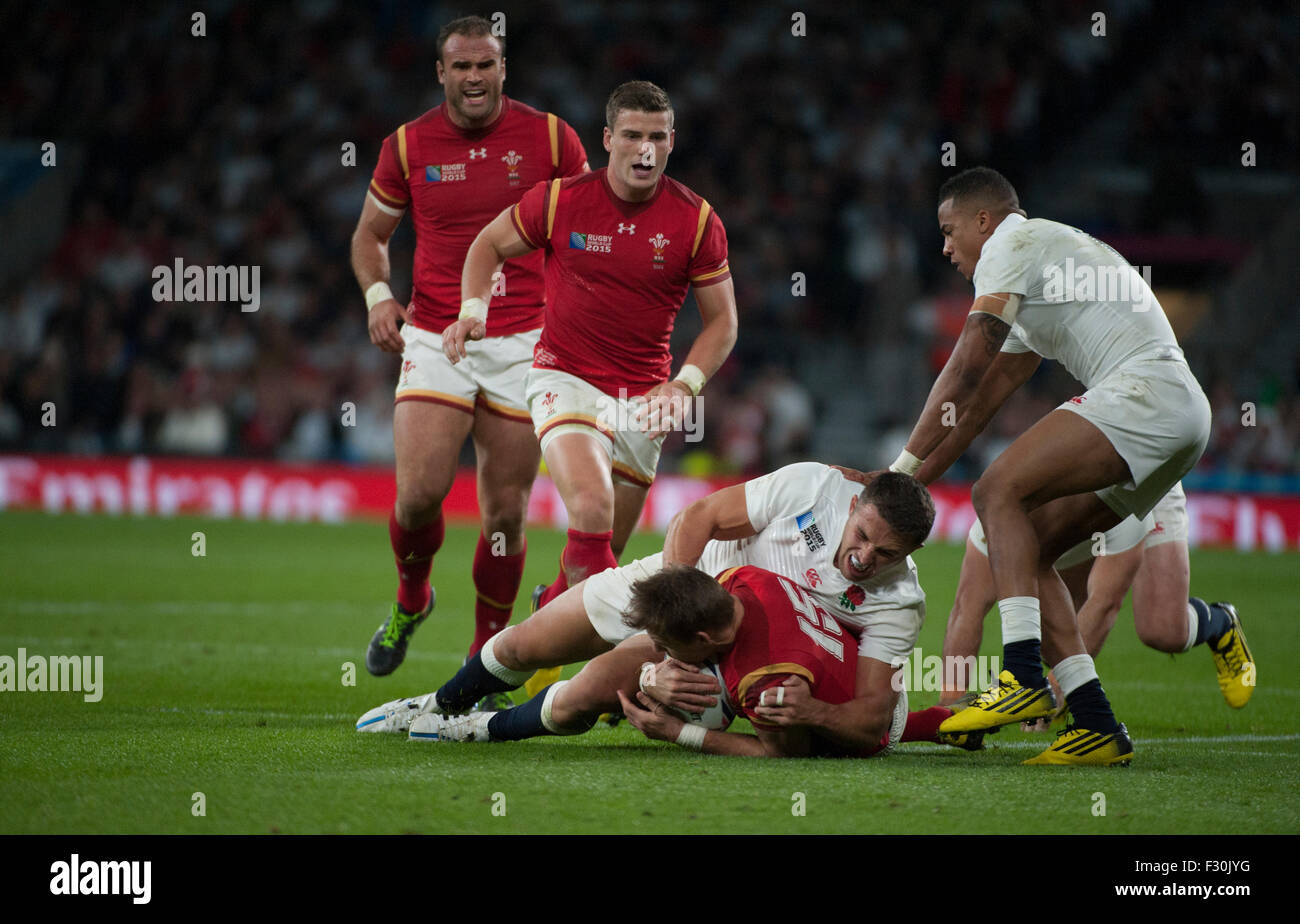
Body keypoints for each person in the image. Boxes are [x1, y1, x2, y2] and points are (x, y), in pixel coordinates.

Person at [887, 166, 1245, 766]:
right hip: (1177, 418)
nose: (945, 248)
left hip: (1146, 393)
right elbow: (978, 405)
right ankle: (1098, 726)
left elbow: (967, 364)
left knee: (996, 489)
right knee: (1031, 546)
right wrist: (908, 483)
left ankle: (1022, 676)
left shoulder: (1011, 244)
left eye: (950, 232)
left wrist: (897, 469)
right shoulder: (1042, 269)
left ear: (984, 221)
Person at [442, 81, 739, 671]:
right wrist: (473, 312)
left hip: (644, 400)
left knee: (605, 565)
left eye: (657, 137)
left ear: (672, 142)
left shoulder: (697, 221)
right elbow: (486, 246)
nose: (645, 149)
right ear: (608, 139)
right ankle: (509, 669)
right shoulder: (558, 200)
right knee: (593, 511)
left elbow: (723, 323)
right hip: (564, 377)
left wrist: (684, 385)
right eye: (632, 135)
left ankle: (547, 616)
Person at [355, 463, 940, 753]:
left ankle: (470, 729)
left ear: (911, 553)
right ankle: (433, 703)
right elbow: (699, 518)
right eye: (861, 534)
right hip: (690, 580)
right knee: (525, 643)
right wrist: (671, 623)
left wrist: (806, 708)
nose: (863, 557)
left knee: (590, 690)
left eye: (885, 553)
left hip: (733, 652)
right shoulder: (815, 487)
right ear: (856, 502)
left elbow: (867, 712)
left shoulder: (898, 603)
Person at [350, 16, 588, 678]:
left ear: (503, 69)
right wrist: (378, 299)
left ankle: (481, 657)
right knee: (419, 496)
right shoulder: (408, 145)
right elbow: (370, 236)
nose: (474, 77)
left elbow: (586, 222)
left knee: (505, 513)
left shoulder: (550, 137)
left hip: (527, 342)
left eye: (486, 65)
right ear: (442, 73)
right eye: (462, 66)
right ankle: (410, 599)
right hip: (434, 333)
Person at [405, 565, 955, 757]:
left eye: (670, 647)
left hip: (844, 720)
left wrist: (677, 734)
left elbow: (784, 757)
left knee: (592, 693)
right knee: (604, 678)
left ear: (701, 636)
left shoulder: (764, 685)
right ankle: (467, 716)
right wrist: (651, 670)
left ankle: (477, 729)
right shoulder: (745, 583)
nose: (664, 656)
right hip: (826, 665)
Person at [943, 483, 1254, 714]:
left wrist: (1050, 695)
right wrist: (949, 706)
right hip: (1080, 485)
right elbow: (966, 607)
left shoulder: (1127, 515)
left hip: (1146, 485)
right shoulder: (1002, 512)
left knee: (1162, 629)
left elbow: (1104, 603)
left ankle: (1221, 621)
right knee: (1058, 629)